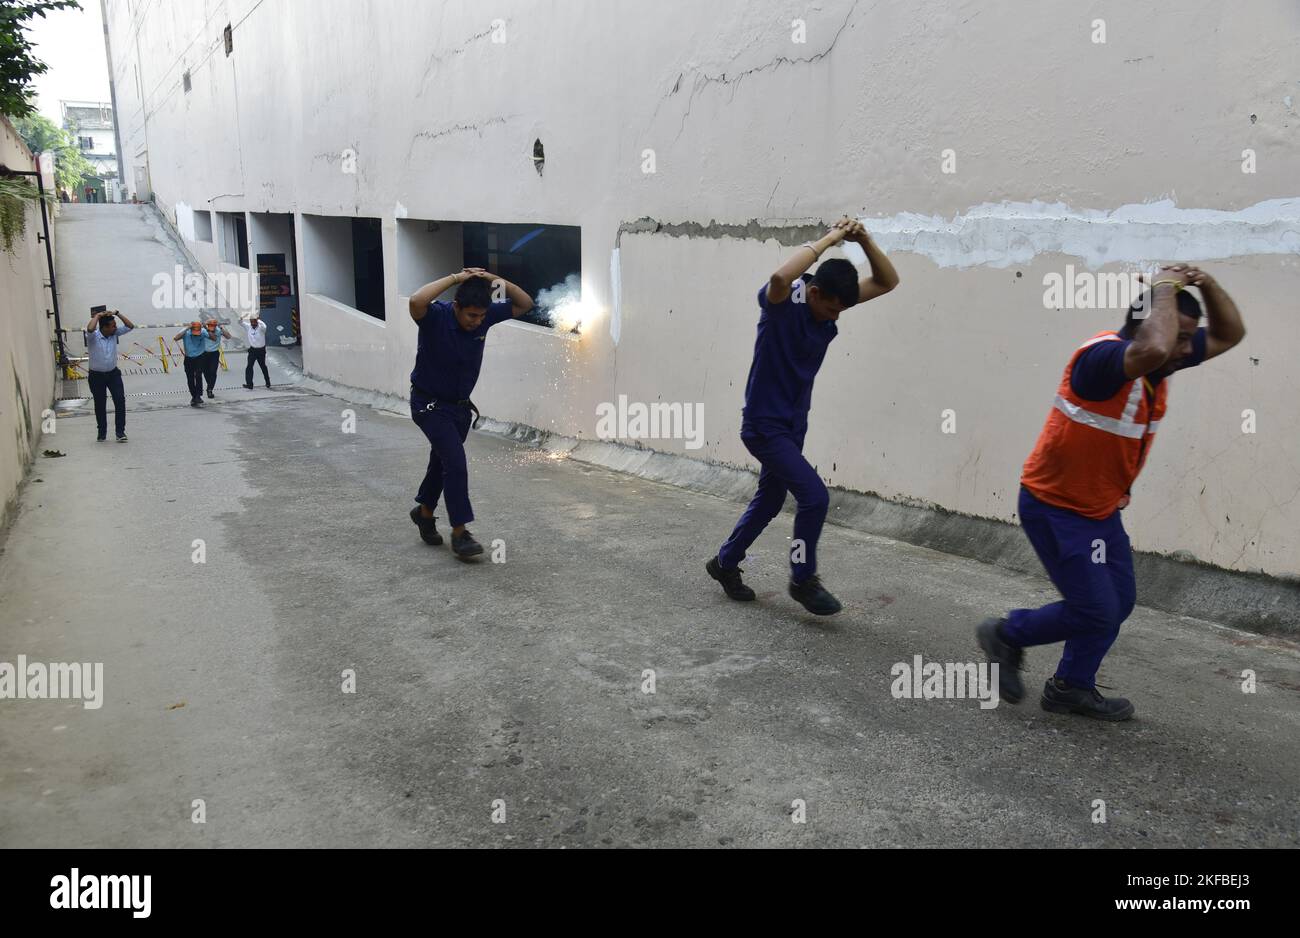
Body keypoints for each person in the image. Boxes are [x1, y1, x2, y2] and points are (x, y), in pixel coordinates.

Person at [977, 265, 1246, 720]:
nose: (1187, 350)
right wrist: (1164, 285)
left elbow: (1230, 333)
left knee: (1117, 603)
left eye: (1188, 338)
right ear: (1146, 328)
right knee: (1096, 609)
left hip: (1099, 511)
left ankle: (1070, 687)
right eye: (1181, 337)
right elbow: (1157, 345)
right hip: (1054, 507)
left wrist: (1205, 283)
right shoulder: (1101, 363)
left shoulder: (1161, 359)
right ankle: (1007, 633)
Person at [706, 218, 900, 615]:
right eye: (830, 309)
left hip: (794, 424)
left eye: (840, 312)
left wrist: (863, 239)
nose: (834, 317)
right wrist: (829, 239)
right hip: (764, 425)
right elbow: (779, 276)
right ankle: (802, 577)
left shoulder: (828, 303)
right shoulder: (781, 304)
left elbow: (887, 281)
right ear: (813, 292)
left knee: (770, 500)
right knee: (814, 498)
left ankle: (724, 563)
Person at [406, 268, 534, 558]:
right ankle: (460, 533)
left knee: (441, 463)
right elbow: (416, 301)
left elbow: (525, 303)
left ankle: (424, 513)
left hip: (460, 408)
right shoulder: (436, 317)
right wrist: (455, 278)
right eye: (471, 316)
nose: (476, 322)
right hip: (429, 405)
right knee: (456, 463)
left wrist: (491, 278)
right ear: (456, 307)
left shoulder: (484, 318)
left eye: (480, 317)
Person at [84, 306, 135, 441]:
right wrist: (98, 316)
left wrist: (117, 313)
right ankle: (102, 432)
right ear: (104, 327)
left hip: (113, 374)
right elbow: (90, 328)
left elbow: (130, 326)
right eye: (112, 326)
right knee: (100, 404)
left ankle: (120, 432)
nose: (115, 328)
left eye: (115, 326)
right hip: (96, 376)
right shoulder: (93, 337)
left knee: (119, 400)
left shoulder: (114, 334)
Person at [173, 321, 208, 407]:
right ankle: (194, 396)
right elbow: (176, 338)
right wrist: (187, 328)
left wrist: (207, 329)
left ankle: (198, 396)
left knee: (198, 375)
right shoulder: (186, 332)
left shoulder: (203, 331)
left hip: (200, 357)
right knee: (190, 378)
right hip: (188, 358)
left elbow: (213, 338)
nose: (196, 334)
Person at [201, 318, 233, 398]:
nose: (212, 327)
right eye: (210, 326)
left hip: (214, 354)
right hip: (204, 353)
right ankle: (210, 385)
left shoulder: (219, 330)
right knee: (205, 372)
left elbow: (229, 336)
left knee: (213, 371)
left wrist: (222, 328)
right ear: (208, 325)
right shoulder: (204, 330)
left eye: (214, 326)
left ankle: (209, 389)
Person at [242, 312, 271, 389]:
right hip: (252, 350)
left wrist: (258, 320)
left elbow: (265, 326)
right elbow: (239, 322)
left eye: (254, 321)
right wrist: (241, 317)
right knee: (249, 366)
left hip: (261, 350)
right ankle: (249, 384)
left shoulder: (261, 328)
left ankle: (268, 382)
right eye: (251, 321)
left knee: (263, 366)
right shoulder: (248, 327)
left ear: (257, 321)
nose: (252, 323)